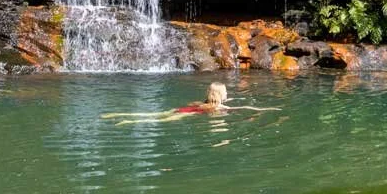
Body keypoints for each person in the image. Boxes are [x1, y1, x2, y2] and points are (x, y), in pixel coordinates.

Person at [102, 83, 278, 124]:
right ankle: (129, 122)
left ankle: (117, 114)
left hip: (185, 108)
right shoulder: (220, 107)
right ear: (221, 96)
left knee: (156, 114)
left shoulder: (205, 101)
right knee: (159, 121)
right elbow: (245, 108)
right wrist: (265, 108)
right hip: (190, 113)